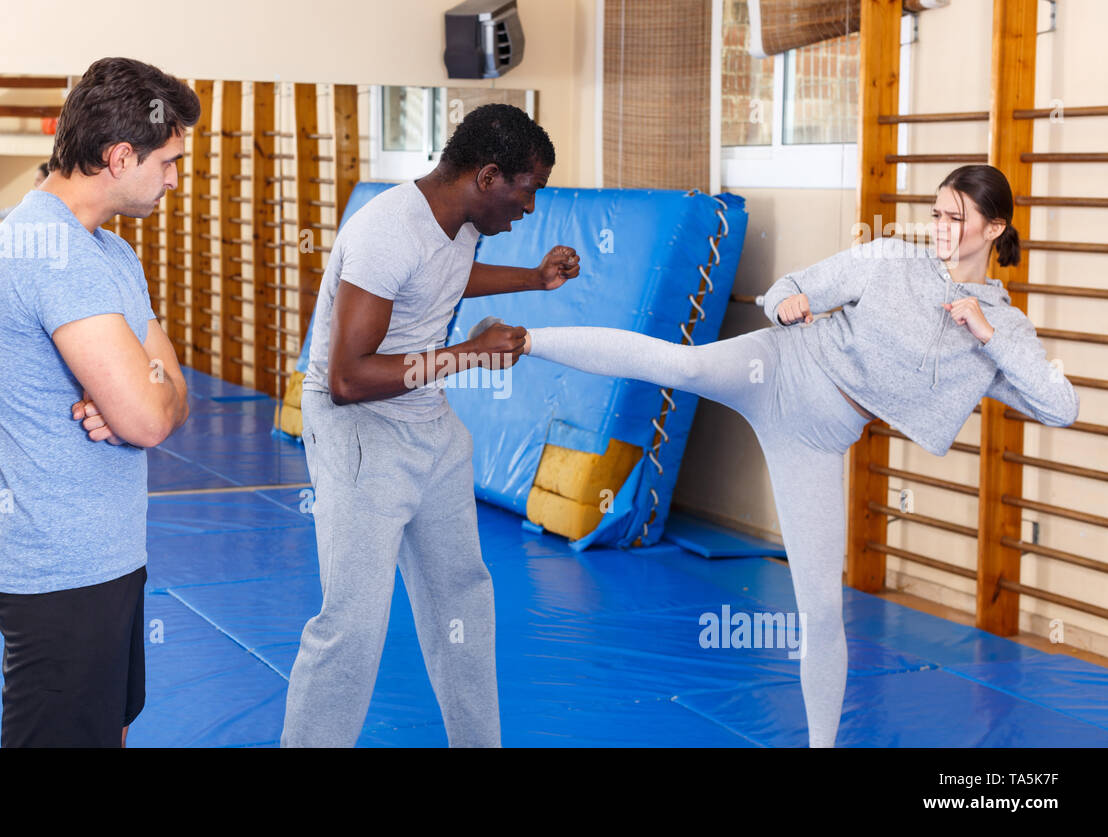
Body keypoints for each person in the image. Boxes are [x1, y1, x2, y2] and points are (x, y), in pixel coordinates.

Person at [518, 164, 1078, 748]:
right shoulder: (889, 259)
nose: (939, 227)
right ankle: (523, 341)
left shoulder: (1001, 331)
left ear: (994, 229)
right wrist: (788, 305)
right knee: (680, 365)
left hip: (815, 440)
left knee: (820, 608)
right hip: (778, 366)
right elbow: (786, 288)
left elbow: (1060, 406)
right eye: (936, 213)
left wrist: (988, 333)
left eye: (955, 218)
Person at [282, 103, 581, 747]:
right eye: (527, 193)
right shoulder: (387, 229)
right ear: (488, 176)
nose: (529, 210)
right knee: (354, 622)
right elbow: (348, 378)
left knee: (464, 598)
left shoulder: (461, 223)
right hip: (359, 429)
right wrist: (472, 354)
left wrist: (533, 279)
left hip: (429, 421)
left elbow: (443, 276)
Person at [0, 57, 197, 747]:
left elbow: (172, 393)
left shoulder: (111, 254)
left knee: (112, 731)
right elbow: (150, 415)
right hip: (60, 575)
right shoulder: (51, 252)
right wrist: (144, 390)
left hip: (111, 558)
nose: (174, 178)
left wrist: (148, 386)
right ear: (120, 155)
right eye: (167, 161)